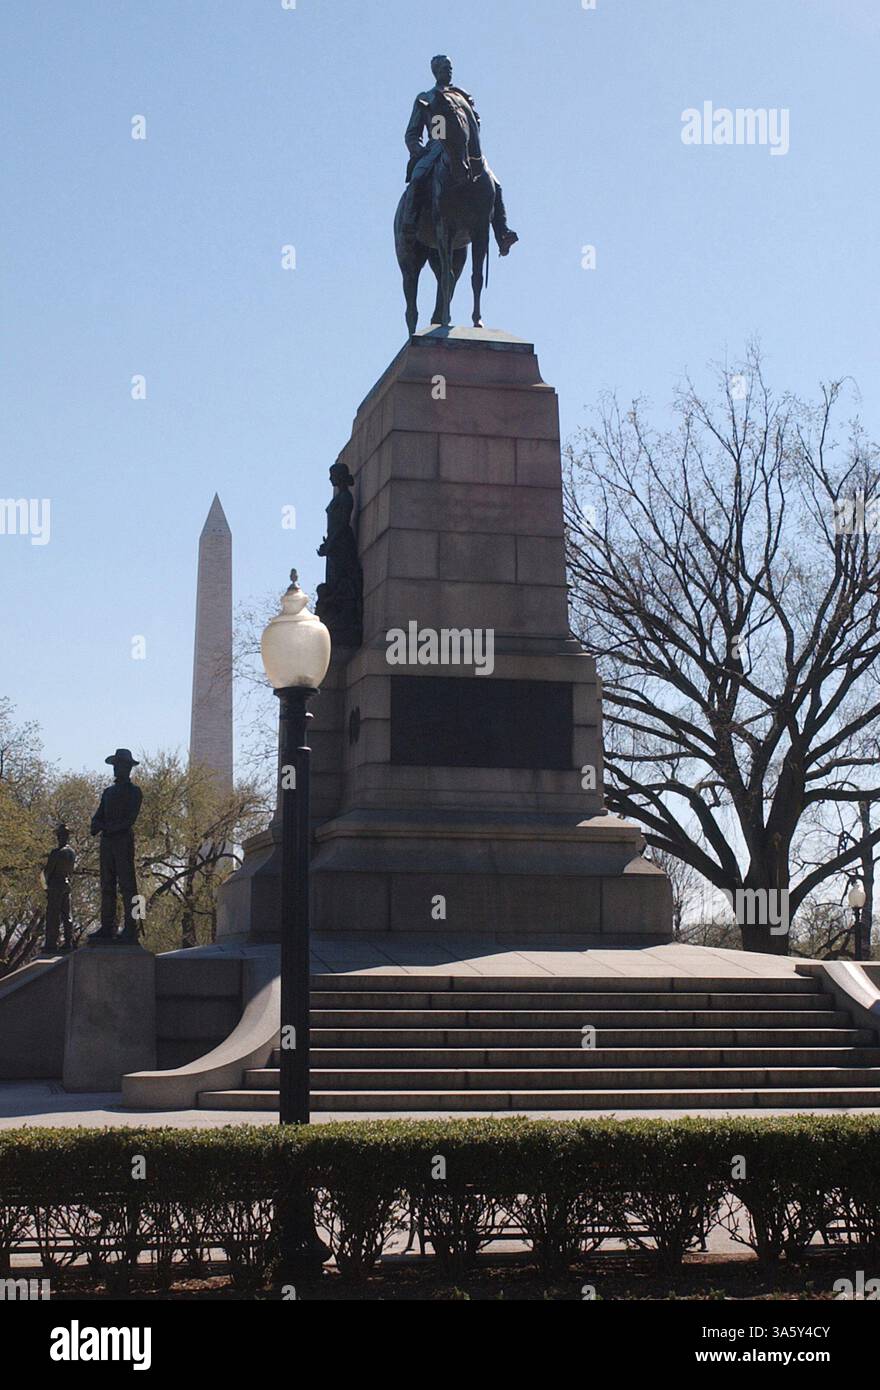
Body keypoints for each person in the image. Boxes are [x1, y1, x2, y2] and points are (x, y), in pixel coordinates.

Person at [403, 54, 518, 256]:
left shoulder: (462, 95)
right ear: (435, 71)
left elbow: (476, 121)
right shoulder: (426, 98)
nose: (447, 70)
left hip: (464, 148)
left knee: (494, 183)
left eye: (449, 67)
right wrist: (418, 151)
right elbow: (412, 133)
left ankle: (502, 232)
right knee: (418, 177)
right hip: (435, 146)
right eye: (443, 67)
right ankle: (411, 222)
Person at [89, 748, 142, 944]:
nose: (115, 769)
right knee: (107, 885)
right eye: (114, 765)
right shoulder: (108, 793)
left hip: (123, 842)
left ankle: (132, 927)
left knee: (129, 886)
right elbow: (97, 818)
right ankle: (107, 927)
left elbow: (130, 819)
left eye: (119, 765)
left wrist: (108, 827)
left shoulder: (134, 792)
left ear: (127, 768)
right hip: (107, 844)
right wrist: (97, 826)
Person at [43, 822, 76, 952]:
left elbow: (48, 871)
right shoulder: (72, 852)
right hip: (66, 884)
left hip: (55, 885)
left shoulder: (56, 852)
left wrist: (46, 886)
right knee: (67, 915)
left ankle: (51, 943)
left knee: (53, 915)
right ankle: (68, 942)